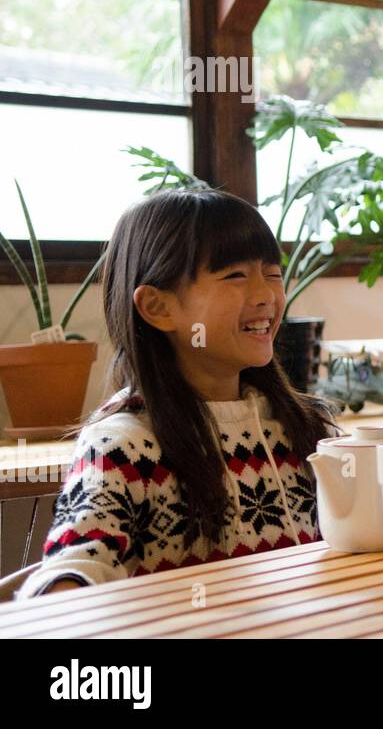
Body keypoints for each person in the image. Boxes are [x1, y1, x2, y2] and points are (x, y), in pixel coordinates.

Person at [16, 188, 338, 599]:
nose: (266, 296)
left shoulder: (310, 426)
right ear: (158, 307)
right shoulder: (124, 446)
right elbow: (76, 563)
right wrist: (63, 593)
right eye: (235, 276)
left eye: (273, 273)